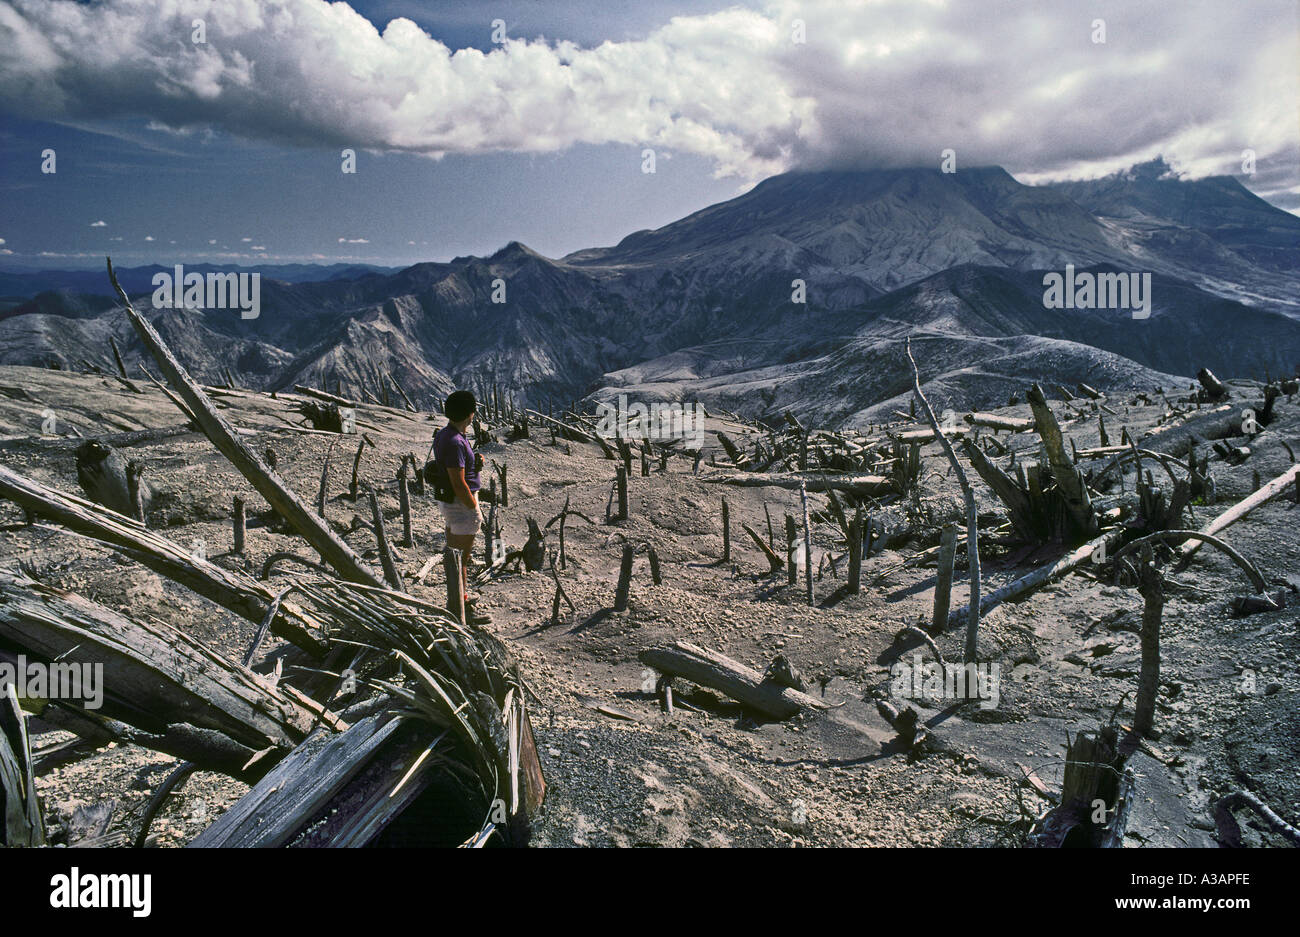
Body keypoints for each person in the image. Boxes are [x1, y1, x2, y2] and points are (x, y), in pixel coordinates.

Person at [432, 390, 486, 619]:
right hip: (460, 506)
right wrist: (473, 508)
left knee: (458, 556)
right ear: (469, 414)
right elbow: (458, 482)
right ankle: (461, 611)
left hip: (453, 505)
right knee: (460, 559)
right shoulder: (455, 441)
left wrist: (476, 462)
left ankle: (461, 601)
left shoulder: (447, 434)